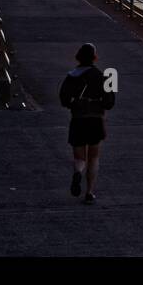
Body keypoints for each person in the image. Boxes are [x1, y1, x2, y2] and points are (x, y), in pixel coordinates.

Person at [59, 43, 115, 204]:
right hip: (95, 120)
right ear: (95, 58)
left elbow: (63, 99)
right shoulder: (104, 76)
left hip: (78, 119)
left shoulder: (71, 76)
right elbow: (109, 103)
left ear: (78, 57)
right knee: (94, 157)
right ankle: (89, 192)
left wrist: (74, 105)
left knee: (80, 158)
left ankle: (78, 171)